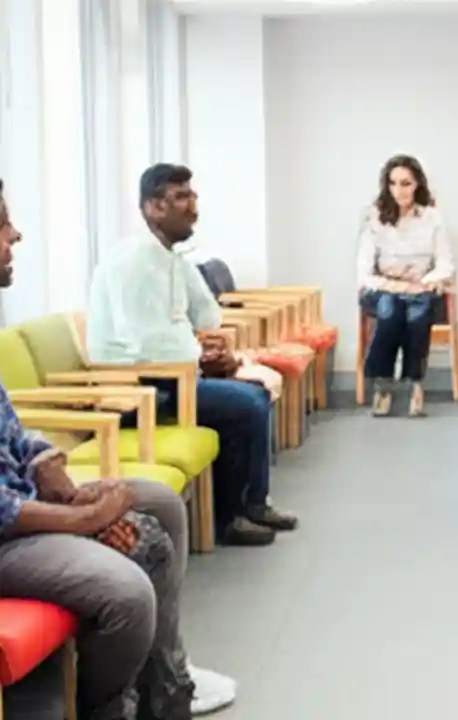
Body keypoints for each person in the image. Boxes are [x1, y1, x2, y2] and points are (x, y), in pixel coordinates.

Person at [0, 176, 235, 719]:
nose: (16, 234)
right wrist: (82, 520)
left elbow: (9, 428)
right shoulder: (130, 263)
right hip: (5, 531)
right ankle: (107, 708)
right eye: (3, 224)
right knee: (126, 590)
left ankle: (165, 680)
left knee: (156, 502)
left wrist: (47, 463)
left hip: (21, 500)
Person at [85, 163, 298, 547]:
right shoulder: (133, 261)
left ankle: (252, 504)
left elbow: (207, 314)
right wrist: (204, 358)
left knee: (251, 392)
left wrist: (216, 350)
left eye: (193, 195)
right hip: (136, 388)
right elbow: (145, 344)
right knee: (247, 402)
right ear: (153, 207)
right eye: (181, 197)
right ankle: (230, 518)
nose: (193, 206)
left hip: (171, 375)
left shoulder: (171, 257)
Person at [356, 154, 456, 418]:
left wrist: (422, 282)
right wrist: (396, 284)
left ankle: (415, 385)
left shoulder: (432, 218)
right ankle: (383, 385)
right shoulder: (375, 218)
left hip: (421, 288)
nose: (399, 190)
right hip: (383, 289)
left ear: (417, 185)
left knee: (417, 315)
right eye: (394, 183)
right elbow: (365, 273)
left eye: (406, 183)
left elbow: (446, 265)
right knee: (389, 311)